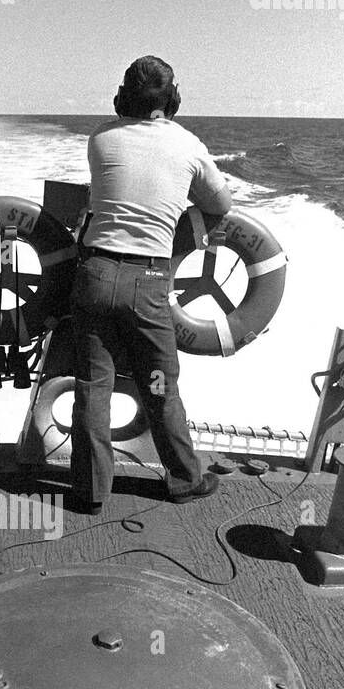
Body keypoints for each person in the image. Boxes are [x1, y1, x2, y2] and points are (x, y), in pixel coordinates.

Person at [67, 55, 232, 513]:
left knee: (92, 387)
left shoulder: (101, 137)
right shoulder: (188, 145)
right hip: (150, 281)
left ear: (121, 98)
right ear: (173, 99)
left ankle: (90, 493)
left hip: (95, 275)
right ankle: (184, 479)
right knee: (159, 387)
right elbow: (222, 203)